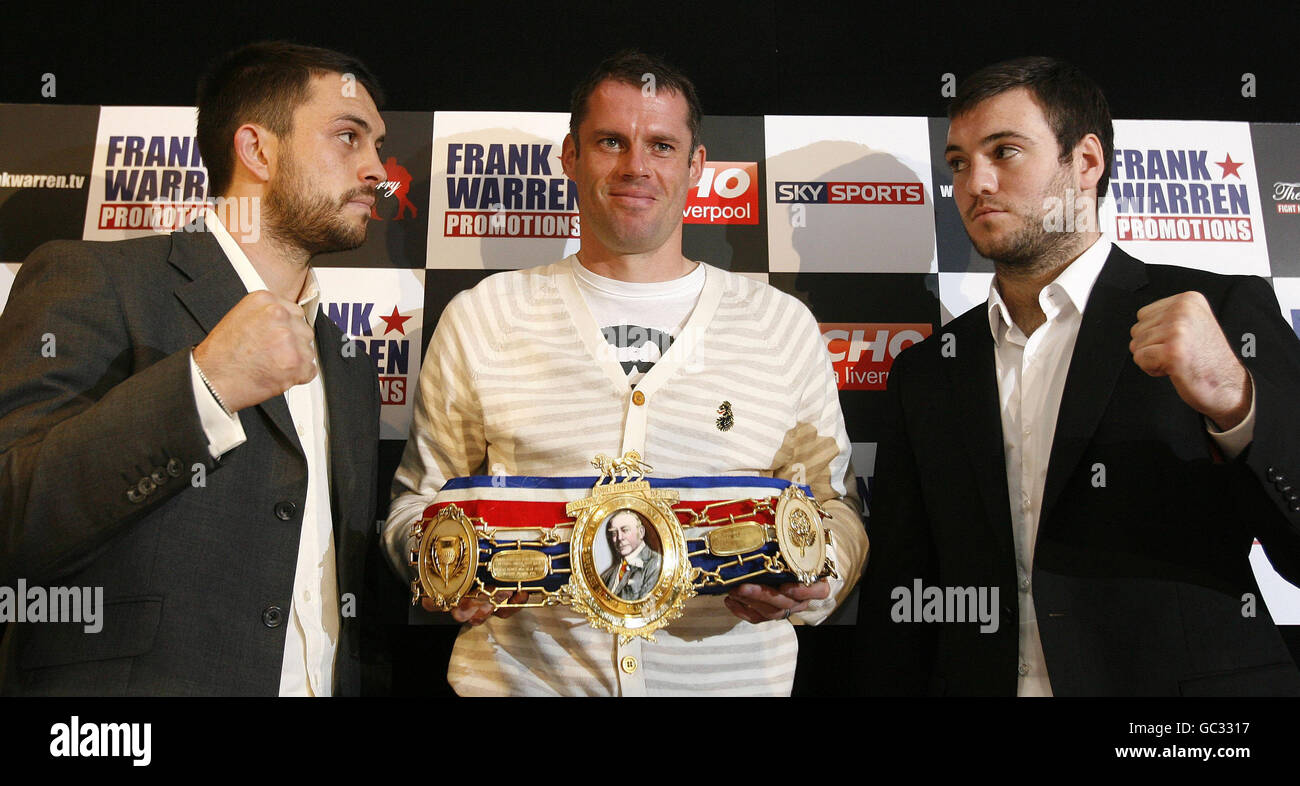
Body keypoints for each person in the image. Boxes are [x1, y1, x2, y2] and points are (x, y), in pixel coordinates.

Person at [385, 50, 867, 696]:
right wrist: (443, 569)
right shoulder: (484, 317)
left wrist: (813, 580)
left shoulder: (779, 326)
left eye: (662, 146)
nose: (636, 166)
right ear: (570, 157)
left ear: (696, 167)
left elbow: (837, 510)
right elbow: (417, 503)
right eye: (611, 141)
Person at [856, 56, 1300, 696]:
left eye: (1004, 151)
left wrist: (1236, 402)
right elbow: (903, 590)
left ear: (1086, 162)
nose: (976, 182)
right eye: (957, 162)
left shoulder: (1218, 312)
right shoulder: (928, 372)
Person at [0, 41, 386, 696]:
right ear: (258, 150)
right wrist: (201, 387)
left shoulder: (349, 364)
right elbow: (14, 516)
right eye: (349, 137)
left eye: (378, 145)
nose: (379, 169)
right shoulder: (96, 279)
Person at [600, 510, 661, 601]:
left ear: (641, 532)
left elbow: (647, 609)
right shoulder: (608, 575)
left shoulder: (657, 563)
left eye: (625, 530)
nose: (619, 538)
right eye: (614, 533)